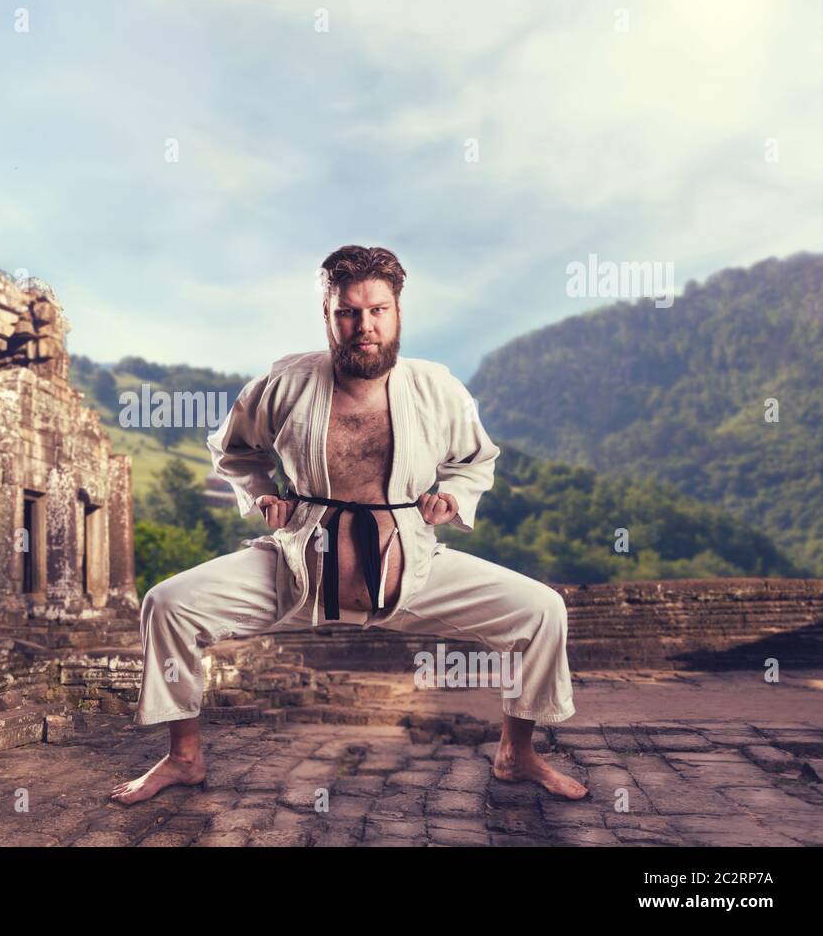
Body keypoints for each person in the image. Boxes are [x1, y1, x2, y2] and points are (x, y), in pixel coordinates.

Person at [111, 245, 587, 805]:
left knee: (542, 611)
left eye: (377, 311)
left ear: (398, 313)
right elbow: (232, 452)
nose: (364, 326)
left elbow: (475, 460)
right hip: (300, 568)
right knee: (167, 604)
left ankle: (517, 754)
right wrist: (265, 495)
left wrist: (452, 498)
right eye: (348, 312)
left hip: (410, 567)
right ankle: (183, 757)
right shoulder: (285, 383)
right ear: (328, 314)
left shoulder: (437, 389)